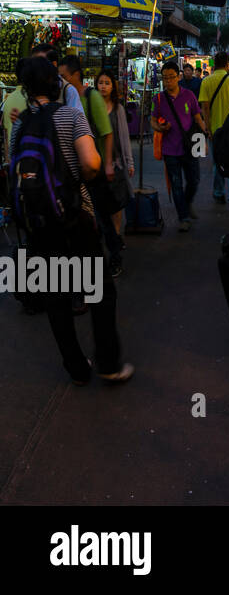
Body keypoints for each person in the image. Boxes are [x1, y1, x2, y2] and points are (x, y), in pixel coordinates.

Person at [9, 56, 133, 384]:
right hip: (76, 216)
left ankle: (77, 368)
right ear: (56, 84)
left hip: (38, 224)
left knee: (56, 297)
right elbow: (92, 163)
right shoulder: (70, 115)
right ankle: (108, 363)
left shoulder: (20, 125)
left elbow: (13, 168)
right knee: (100, 291)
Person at [60, 55, 122, 277]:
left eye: (63, 76)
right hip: (74, 170)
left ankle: (114, 255)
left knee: (101, 216)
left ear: (76, 75)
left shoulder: (90, 96)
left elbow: (107, 133)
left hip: (93, 167)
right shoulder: (64, 99)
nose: (61, 80)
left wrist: (107, 165)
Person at [153, 60, 207, 232]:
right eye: (165, 78)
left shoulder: (189, 95)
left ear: (178, 77)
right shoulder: (159, 98)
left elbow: (198, 118)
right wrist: (159, 128)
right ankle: (183, 217)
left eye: (171, 77)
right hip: (170, 149)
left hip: (190, 146)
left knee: (194, 180)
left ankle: (187, 202)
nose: (168, 81)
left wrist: (204, 137)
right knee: (176, 184)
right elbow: (152, 120)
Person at [199, 51, 229, 213]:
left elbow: (204, 108)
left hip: (215, 130)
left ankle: (218, 193)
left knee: (217, 161)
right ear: (227, 64)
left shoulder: (206, 81)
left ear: (213, 64)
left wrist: (208, 128)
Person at [95, 71, 134, 245]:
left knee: (117, 202)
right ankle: (106, 233)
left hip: (116, 162)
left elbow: (124, 137)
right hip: (96, 162)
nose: (103, 86)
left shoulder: (118, 109)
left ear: (113, 87)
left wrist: (129, 161)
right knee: (101, 202)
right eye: (101, 82)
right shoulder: (91, 107)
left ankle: (117, 234)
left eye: (107, 83)